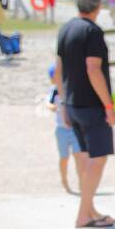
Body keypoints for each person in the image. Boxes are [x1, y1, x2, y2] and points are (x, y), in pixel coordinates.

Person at [55, 0, 115, 228]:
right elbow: (94, 70)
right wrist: (109, 105)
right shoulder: (92, 32)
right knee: (98, 159)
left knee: (85, 159)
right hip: (92, 106)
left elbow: (59, 70)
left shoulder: (66, 28)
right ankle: (84, 214)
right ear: (98, 6)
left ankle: (91, 210)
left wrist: (63, 102)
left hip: (72, 103)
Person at [47, 63, 87, 192]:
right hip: (61, 129)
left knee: (79, 156)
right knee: (64, 157)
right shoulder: (54, 90)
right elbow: (49, 103)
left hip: (75, 128)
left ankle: (82, 183)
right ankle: (64, 180)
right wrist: (53, 106)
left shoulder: (71, 88)